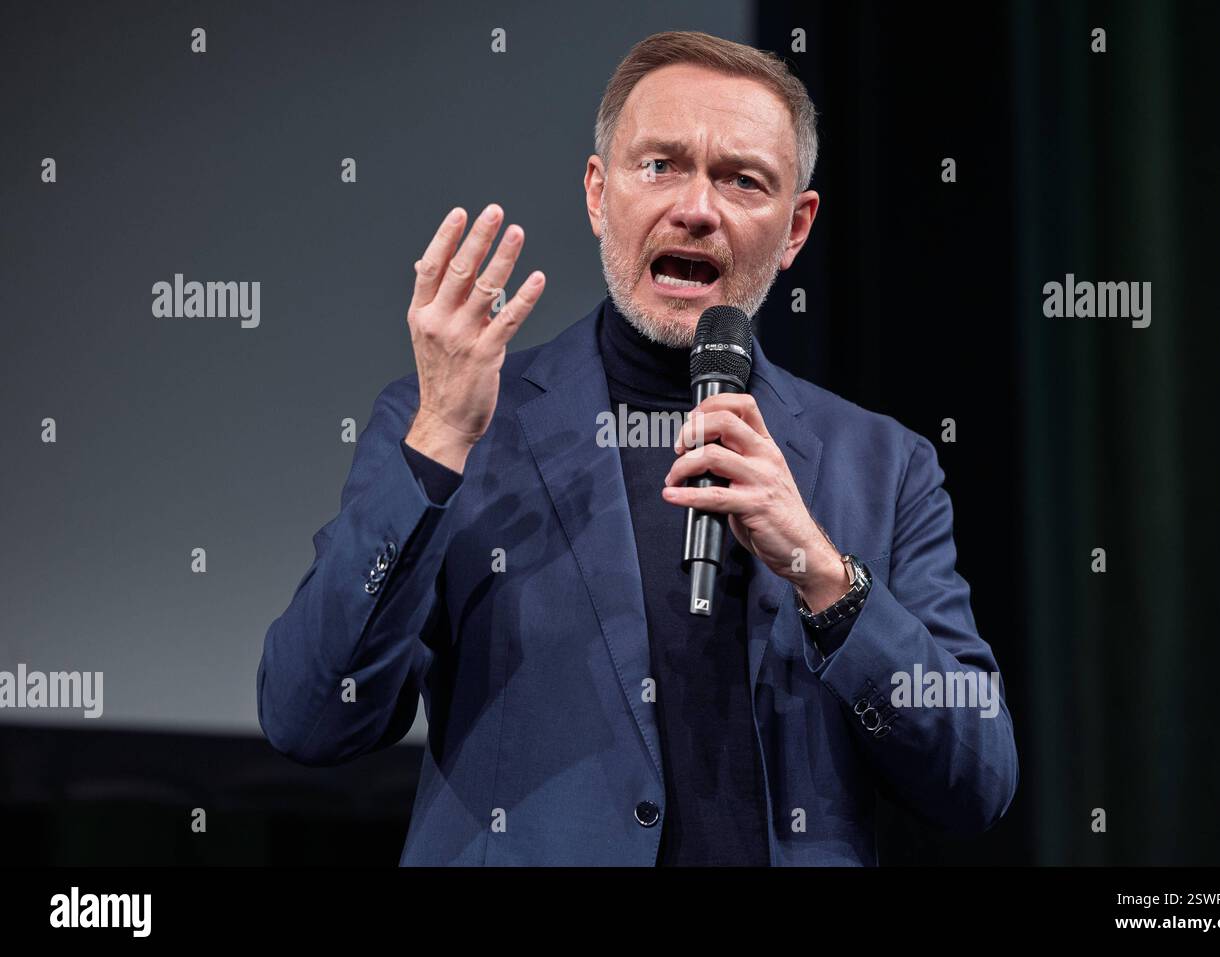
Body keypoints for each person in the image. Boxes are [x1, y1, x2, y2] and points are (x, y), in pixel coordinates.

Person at [257, 30, 1018, 866]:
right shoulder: (453, 423)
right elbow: (311, 717)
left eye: (743, 180)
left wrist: (826, 579)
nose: (696, 207)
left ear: (797, 228)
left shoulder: (883, 465)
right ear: (597, 192)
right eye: (660, 165)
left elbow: (976, 781)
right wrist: (438, 441)